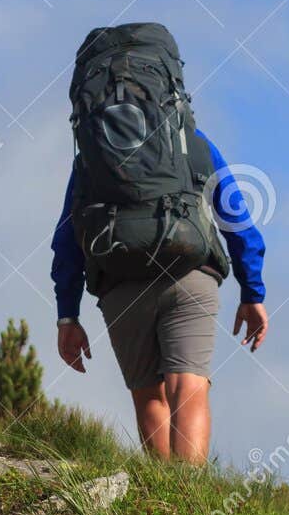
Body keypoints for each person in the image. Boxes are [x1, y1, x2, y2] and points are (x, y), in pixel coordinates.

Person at [51, 117, 268, 465]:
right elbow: (237, 218)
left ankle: (163, 498)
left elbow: (67, 238)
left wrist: (68, 314)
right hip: (189, 271)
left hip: (121, 281)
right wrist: (252, 292)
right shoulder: (194, 142)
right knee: (189, 386)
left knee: (149, 395)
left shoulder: (93, 153)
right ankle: (188, 504)